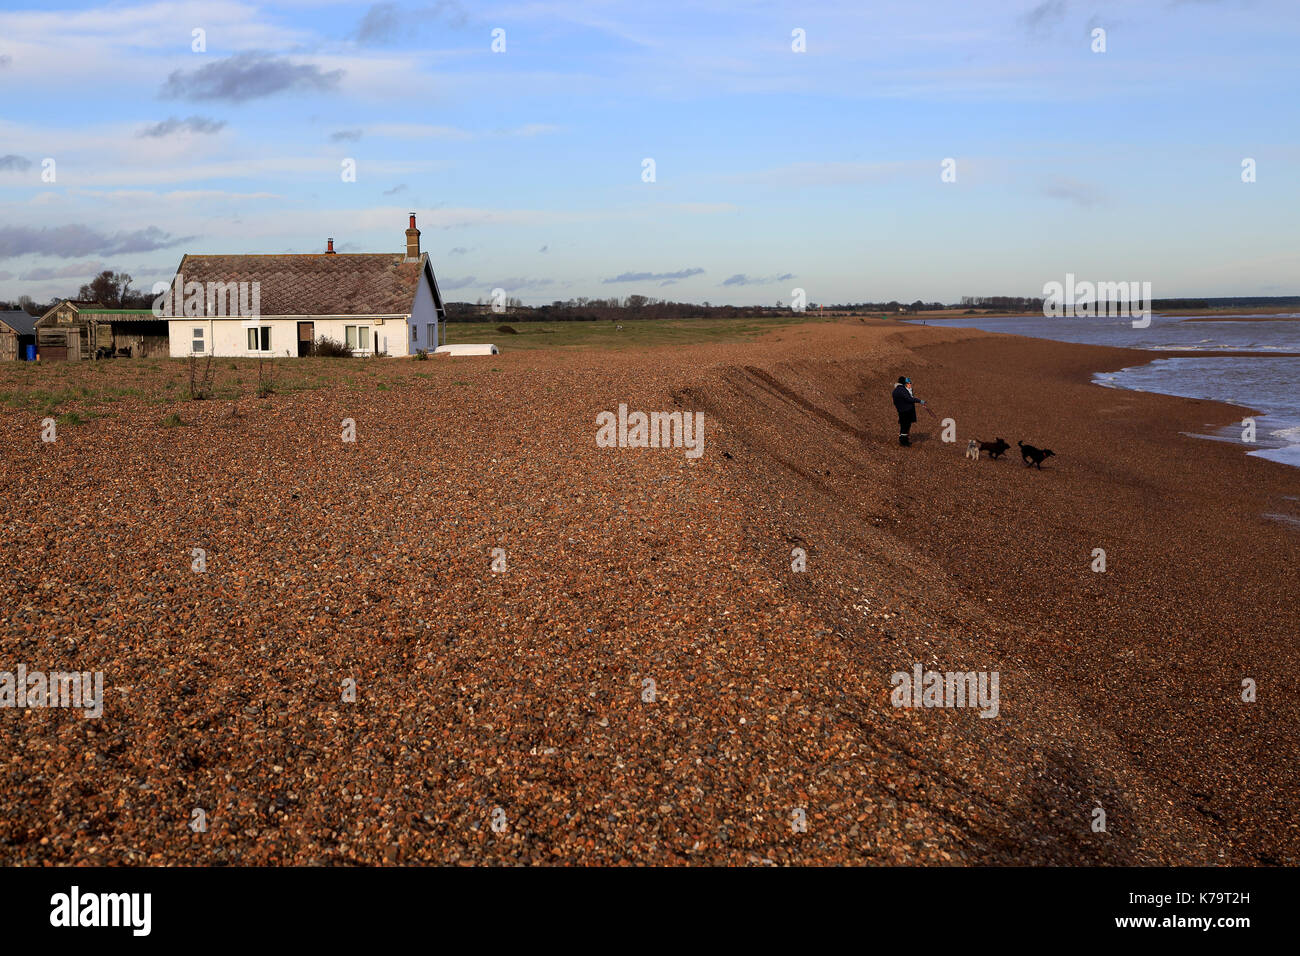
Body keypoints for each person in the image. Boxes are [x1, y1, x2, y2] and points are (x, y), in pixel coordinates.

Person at [891, 376, 925, 446]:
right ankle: (904, 442)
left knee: (903, 425)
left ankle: (902, 440)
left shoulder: (895, 390)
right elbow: (909, 399)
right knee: (906, 426)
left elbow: (895, 402)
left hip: (901, 410)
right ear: (904, 383)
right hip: (906, 410)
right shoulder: (902, 390)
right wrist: (919, 401)